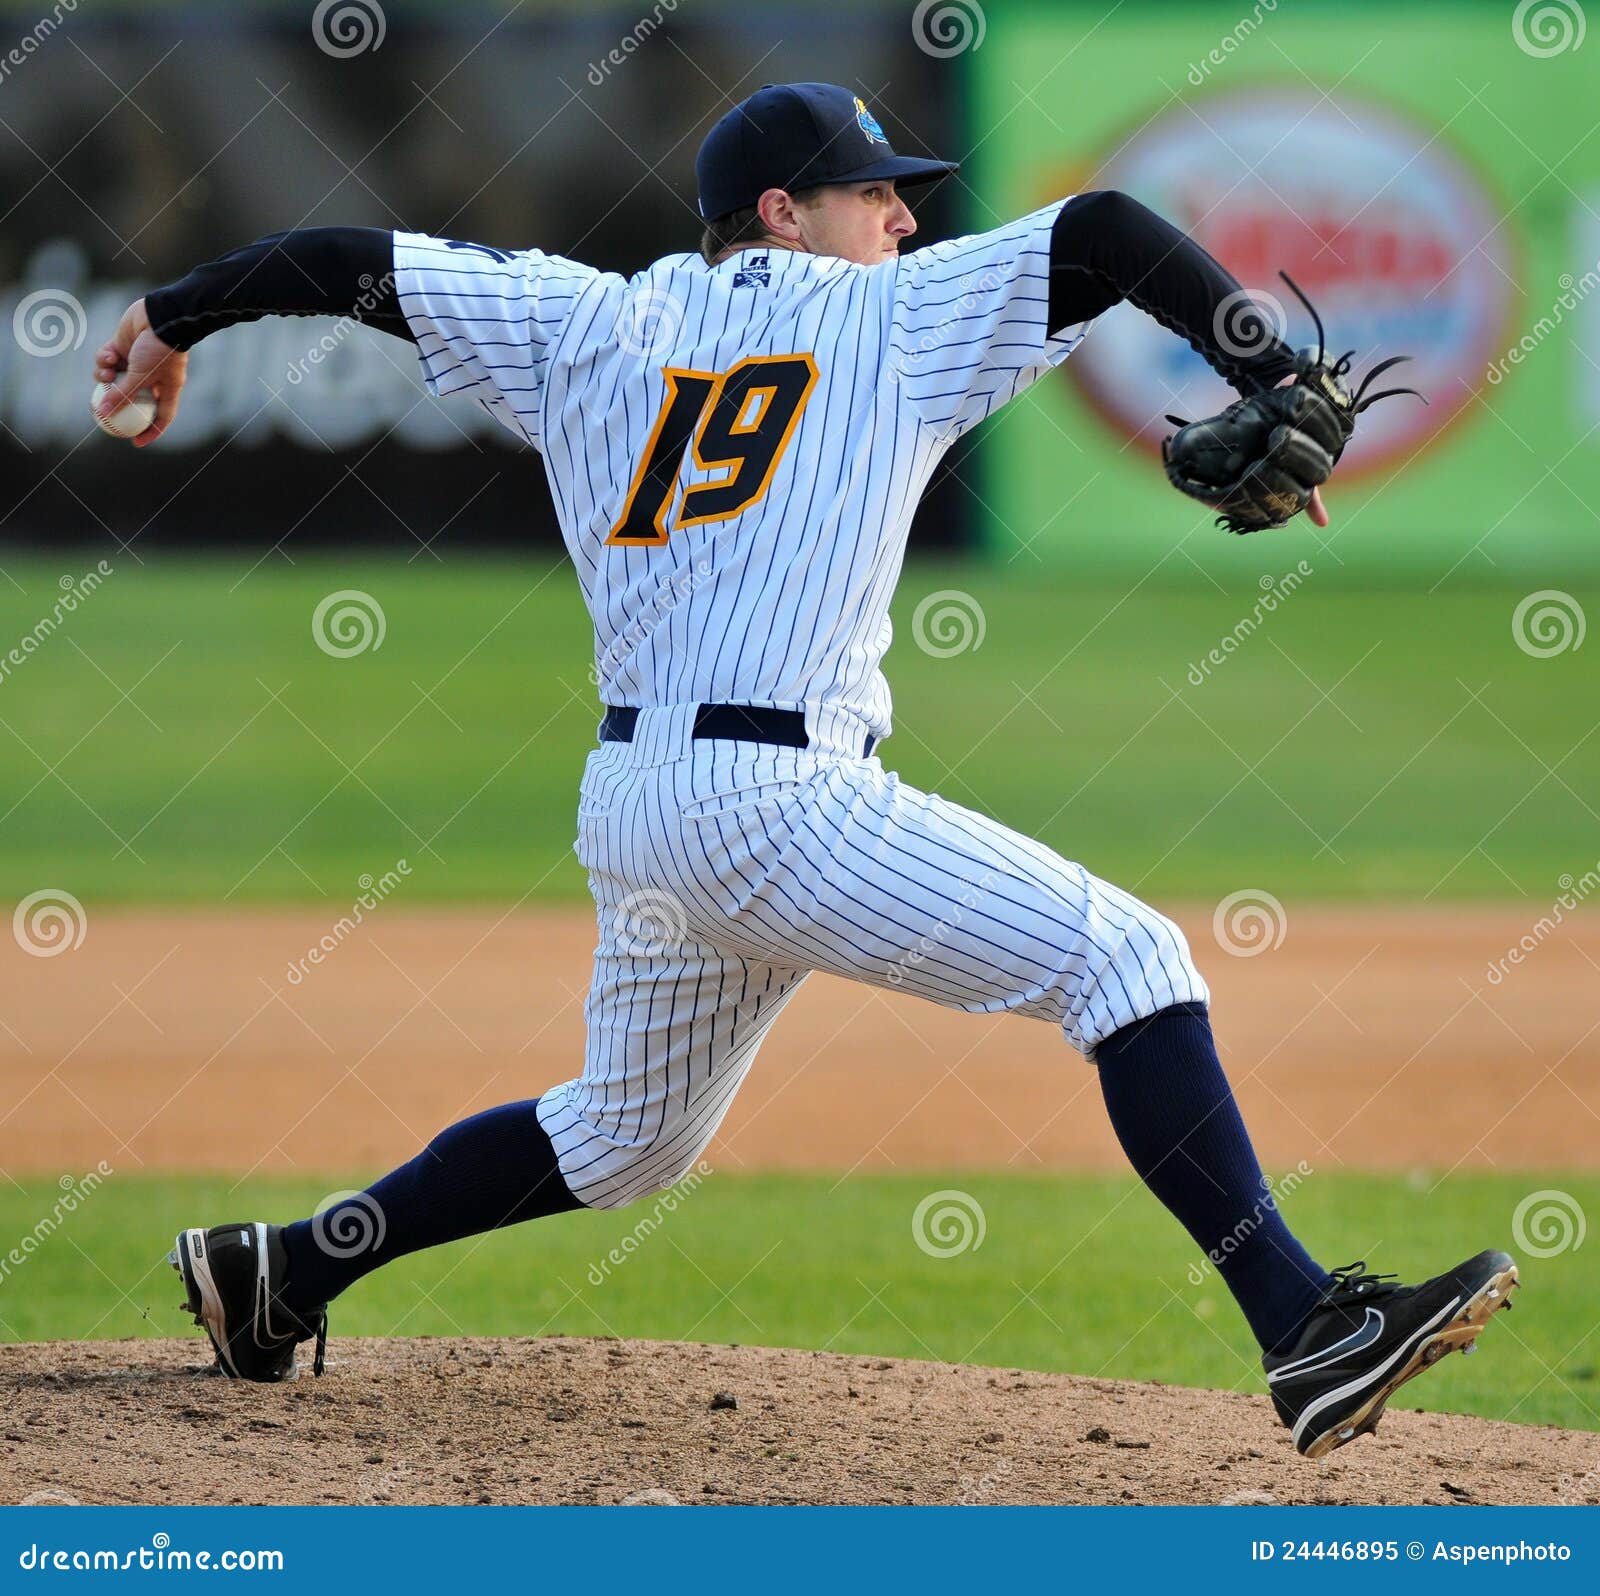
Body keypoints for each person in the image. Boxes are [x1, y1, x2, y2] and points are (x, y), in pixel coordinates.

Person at [96, 82, 1513, 1459]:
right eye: (876, 193)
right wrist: (1265, 363)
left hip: (639, 805)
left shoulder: (585, 316)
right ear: (783, 210)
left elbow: (349, 263)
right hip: (778, 805)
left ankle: (280, 1273)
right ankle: (1304, 1330)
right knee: (1130, 963)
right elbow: (1110, 231)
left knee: (623, 1138)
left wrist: (171, 317)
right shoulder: (893, 315)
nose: (903, 220)